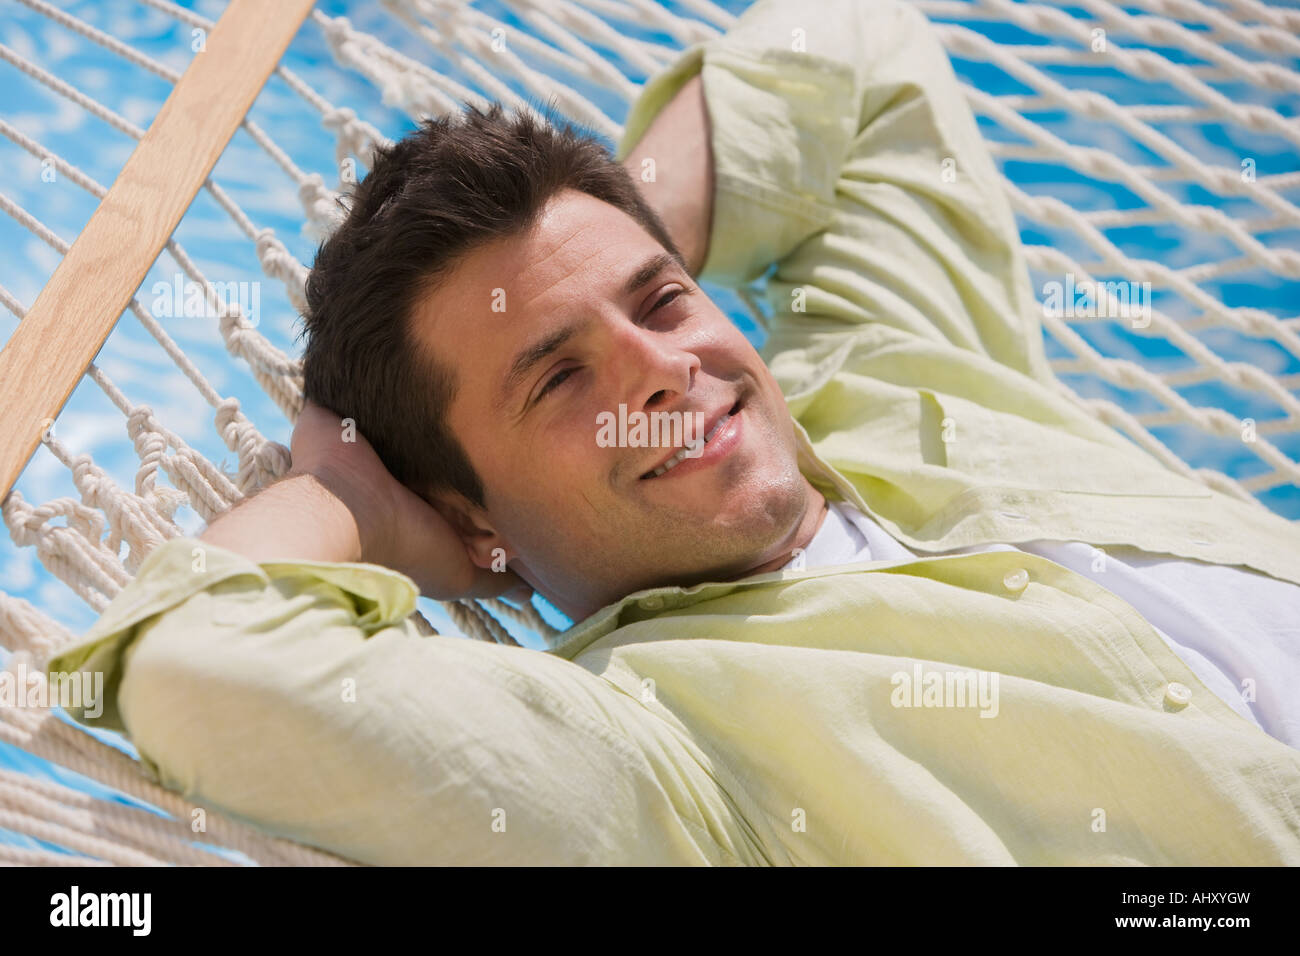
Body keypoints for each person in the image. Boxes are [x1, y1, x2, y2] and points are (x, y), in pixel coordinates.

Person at [50, 0, 1300, 865]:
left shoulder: (893, 371)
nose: (666, 368)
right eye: (558, 378)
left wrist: (624, 222)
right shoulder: (655, 750)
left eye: (663, 301)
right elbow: (199, 671)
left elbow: (852, 43)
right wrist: (359, 513)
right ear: (471, 514)